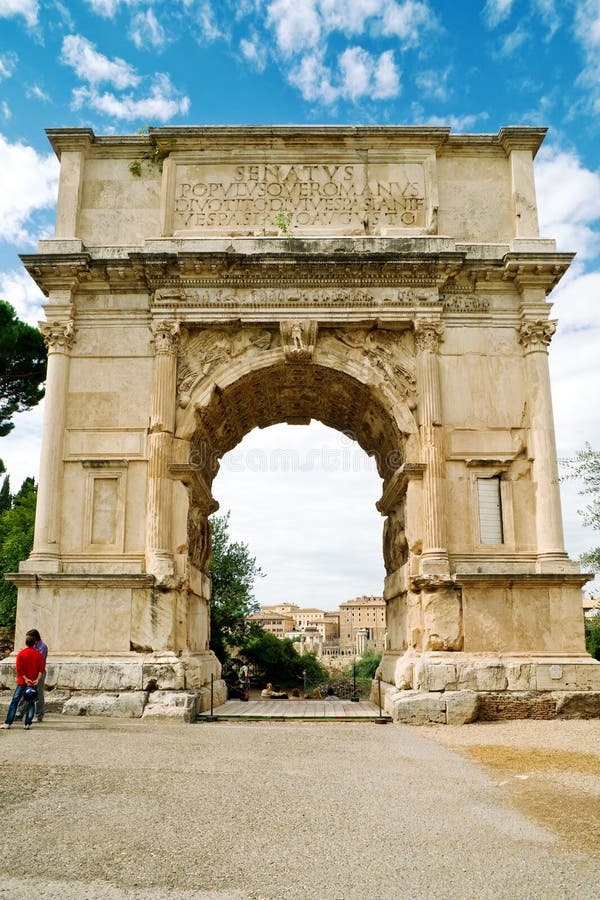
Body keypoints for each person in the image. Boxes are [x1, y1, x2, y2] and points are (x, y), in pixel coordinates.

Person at [2, 633, 46, 730]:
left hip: (22, 682)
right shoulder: (38, 655)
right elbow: (41, 669)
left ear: (26, 643)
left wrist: (26, 679)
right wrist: (37, 680)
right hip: (33, 682)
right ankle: (27, 723)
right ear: (35, 643)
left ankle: (8, 723)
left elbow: (19, 669)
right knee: (31, 702)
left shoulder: (21, 654)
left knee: (14, 702)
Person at [15, 629, 48, 723]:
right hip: (29, 671)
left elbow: (40, 661)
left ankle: (39, 715)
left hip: (39, 672)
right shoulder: (33, 646)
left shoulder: (43, 647)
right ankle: (19, 713)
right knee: (26, 692)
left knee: (39, 693)